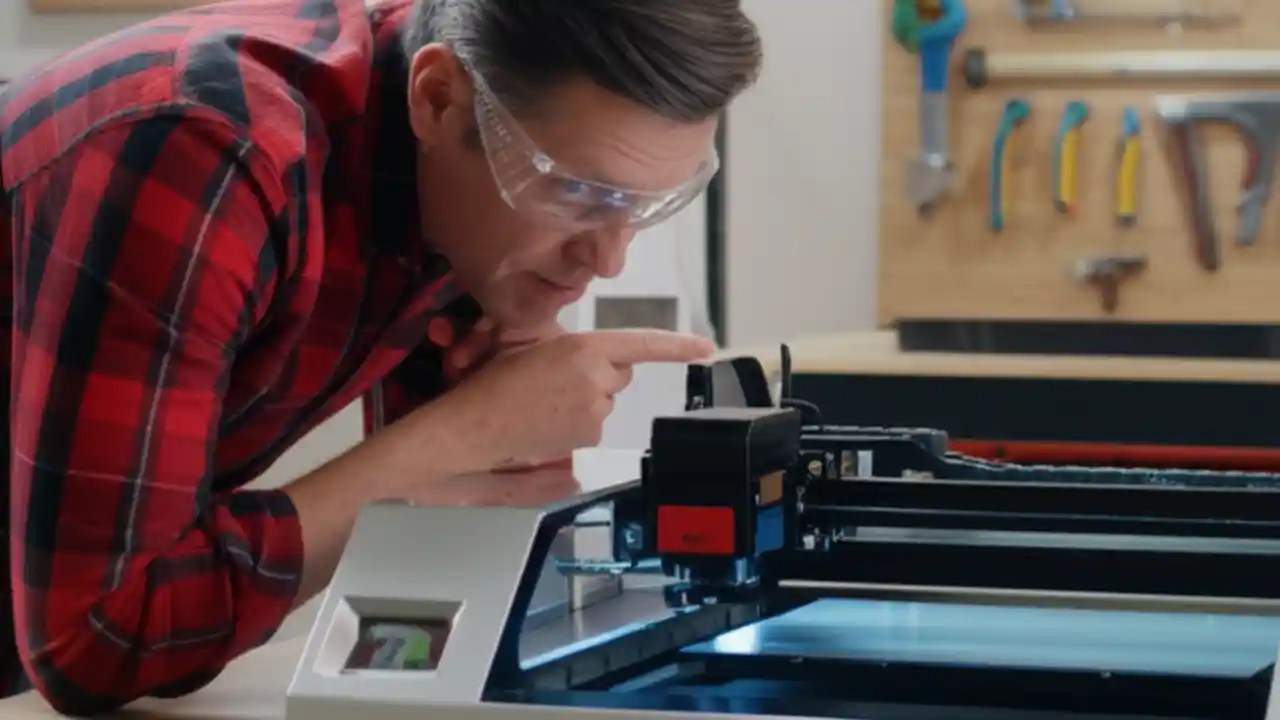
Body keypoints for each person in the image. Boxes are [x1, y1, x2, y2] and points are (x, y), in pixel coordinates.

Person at [0, 0, 762, 713]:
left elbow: (425, 591)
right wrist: (457, 438)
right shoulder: (210, 152)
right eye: (575, 193)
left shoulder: (465, 174)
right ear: (437, 100)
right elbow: (97, 638)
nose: (608, 260)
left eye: (643, 206)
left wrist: (492, 431)